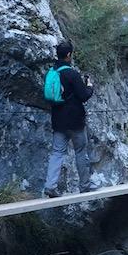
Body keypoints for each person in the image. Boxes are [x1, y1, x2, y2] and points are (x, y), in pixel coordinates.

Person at [43, 39, 94, 197]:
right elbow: (83, 96)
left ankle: (50, 186)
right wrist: (89, 86)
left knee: (57, 153)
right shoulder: (72, 74)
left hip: (58, 121)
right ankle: (85, 185)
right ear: (69, 55)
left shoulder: (52, 73)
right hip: (75, 121)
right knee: (80, 151)